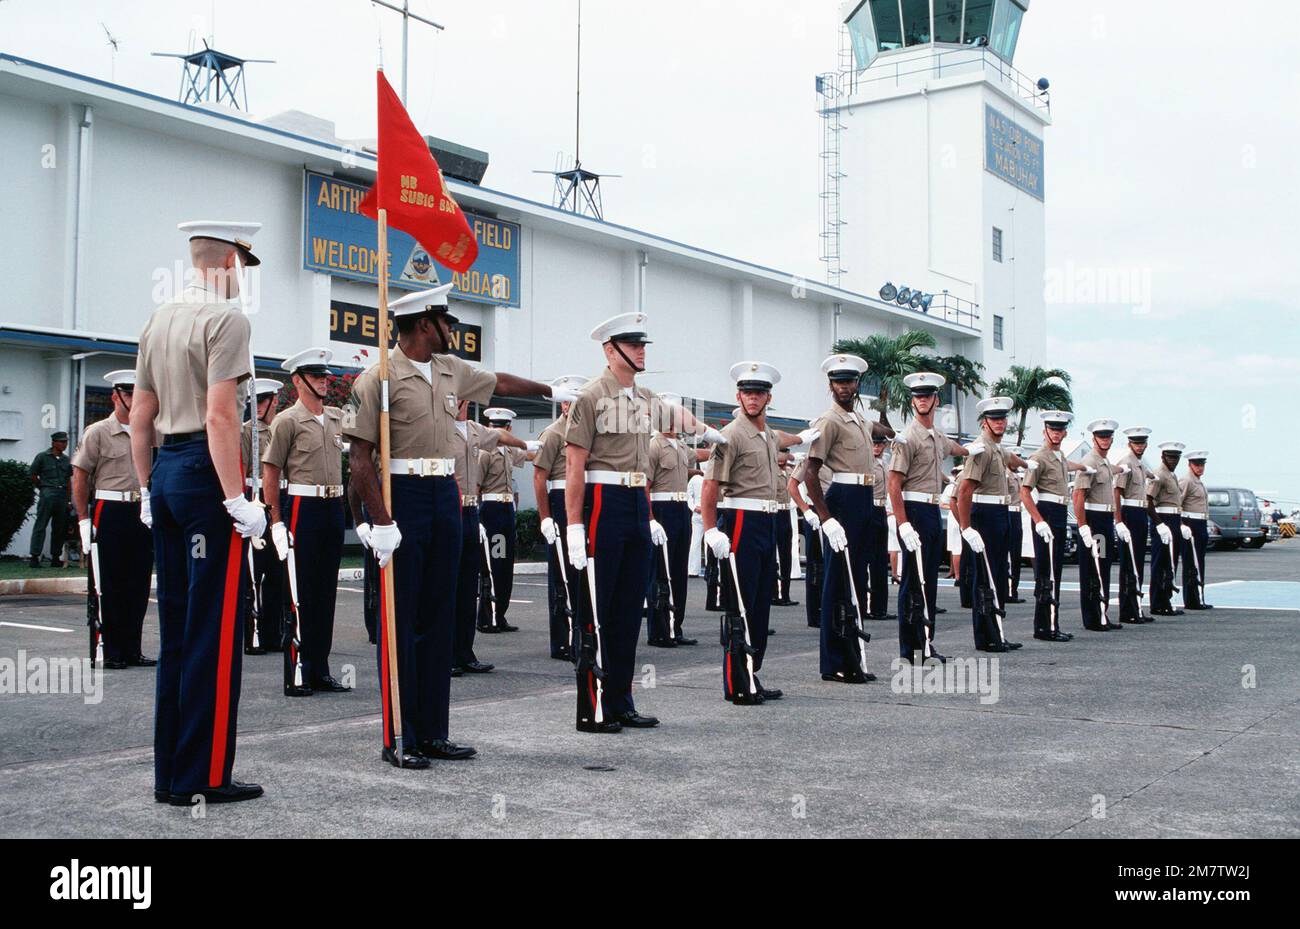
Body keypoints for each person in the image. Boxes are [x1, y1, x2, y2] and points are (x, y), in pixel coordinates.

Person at [344, 282, 561, 768]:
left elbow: (498, 382)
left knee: (438, 618)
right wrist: (378, 522)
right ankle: (399, 735)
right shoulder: (377, 378)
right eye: (447, 323)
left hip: (445, 494)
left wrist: (548, 390)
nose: (453, 331)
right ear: (424, 324)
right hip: (403, 496)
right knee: (400, 620)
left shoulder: (449, 369)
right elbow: (360, 459)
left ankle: (433, 733)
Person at [131, 220, 268, 805]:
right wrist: (237, 498)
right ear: (231, 262)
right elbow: (220, 418)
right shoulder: (226, 319)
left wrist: (145, 491)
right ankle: (205, 776)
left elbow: (140, 418)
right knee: (212, 633)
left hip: (166, 474)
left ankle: (172, 776)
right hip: (206, 475)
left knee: (179, 636)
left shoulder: (159, 319)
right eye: (244, 266)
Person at [564, 313, 725, 730]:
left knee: (626, 609)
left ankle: (621, 700)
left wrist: (709, 432)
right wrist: (574, 525)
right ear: (609, 350)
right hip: (603, 501)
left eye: (643, 345)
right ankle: (593, 707)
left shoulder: (643, 397)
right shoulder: (591, 397)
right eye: (632, 345)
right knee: (597, 609)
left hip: (637, 501)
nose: (641, 351)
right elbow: (574, 464)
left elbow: (675, 414)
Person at [701, 363, 803, 701]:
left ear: (768, 397)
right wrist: (710, 530)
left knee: (761, 604)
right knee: (741, 604)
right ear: (738, 396)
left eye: (759, 393)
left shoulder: (766, 435)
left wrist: (805, 436)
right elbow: (711, 484)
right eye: (747, 392)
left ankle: (751, 673)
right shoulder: (730, 434)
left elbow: (782, 439)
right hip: (741, 520)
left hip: (767, 522)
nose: (753, 398)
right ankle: (736, 683)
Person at [802, 354, 893, 683]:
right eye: (839, 382)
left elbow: (888, 429)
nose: (845, 386)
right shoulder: (828, 421)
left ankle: (852, 657)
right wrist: (825, 517)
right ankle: (834, 662)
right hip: (841, 499)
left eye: (850, 381)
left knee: (855, 580)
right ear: (831, 386)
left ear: (857, 385)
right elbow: (811, 473)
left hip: (864, 500)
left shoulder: (859, 420)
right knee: (837, 583)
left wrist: (882, 406)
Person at [263, 348, 349, 696]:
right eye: (316, 377)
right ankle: (297, 670)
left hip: (333, 507)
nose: (324, 382)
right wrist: (276, 522)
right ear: (298, 381)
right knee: (300, 593)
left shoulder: (337, 417)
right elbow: (271, 474)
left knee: (326, 592)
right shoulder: (287, 421)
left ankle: (321, 669)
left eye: (325, 377)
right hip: (303, 507)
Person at [71, 370, 154, 669]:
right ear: (115, 396)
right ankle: (107, 649)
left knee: (138, 584)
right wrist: (83, 518)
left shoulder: (151, 431)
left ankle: (133, 649)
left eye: (137, 393)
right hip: (110, 509)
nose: (133, 399)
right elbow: (80, 477)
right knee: (108, 583)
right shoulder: (98, 432)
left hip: (142, 510)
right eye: (128, 393)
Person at [886, 372, 969, 664]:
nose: (922, 401)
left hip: (933, 511)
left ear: (936, 400)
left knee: (928, 582)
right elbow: (894, 482)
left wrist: (975, 450)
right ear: (913, 401)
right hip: (914, 512)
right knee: (914, 581)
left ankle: (926, 642)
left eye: (927, 396)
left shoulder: (936, 436)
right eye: (918, 396)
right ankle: (912, 648)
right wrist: (903, 522)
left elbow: (954, 448)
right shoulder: (907, 438)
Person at [452, 400, 529, 673]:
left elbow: (523, 451)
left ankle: (465, 651)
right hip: (470, 509)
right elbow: (479, 483)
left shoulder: (480, 436)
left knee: (472, 582)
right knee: (456, 582)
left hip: (478, 511)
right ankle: (452, 651)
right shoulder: (453, 436)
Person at [955, 397, 1029, 652]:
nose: (999, 423)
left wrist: (1027, 464)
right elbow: (964, 491)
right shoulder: (982, 449)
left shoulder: (997, 448)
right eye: (994, 419)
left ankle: (996, 631)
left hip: (1000, 513)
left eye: (1002, 418)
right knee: (985, 578)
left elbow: (1012, 458)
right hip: (984, 514)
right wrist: (966, 528)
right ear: (984, 422)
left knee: (997, 574)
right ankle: (986, 637)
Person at [534, 377, 588, 660]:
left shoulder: (589, 432)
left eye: (576, 400)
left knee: (582, 573)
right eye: (567, 400)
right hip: (559, 501)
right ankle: (564, 640)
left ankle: (582, 633)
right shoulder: (553, 433)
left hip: (582, 501)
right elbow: (539, 476)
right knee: (562, 576)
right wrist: (545, 517)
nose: (570, 405)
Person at [646, 395, 706, 646]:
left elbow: (698, 455)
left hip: (681, 508)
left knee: (679, 571)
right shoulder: (653, 446)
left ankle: (675, 626)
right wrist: (650, 519)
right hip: (662, 509)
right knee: (662, 571)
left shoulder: (680, 446)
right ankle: (660, 631)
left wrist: (723, 446)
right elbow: (645, 486)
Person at [476, 408, 534, 634]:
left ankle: (500, 614)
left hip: (506, 511)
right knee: (494, 563)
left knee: (506, 564)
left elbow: (529, 455)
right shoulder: (484, 453)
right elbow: (476, 488)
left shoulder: (508, 451)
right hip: (492, 513)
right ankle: (487, 617)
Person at [1020, 411, 1076, 643]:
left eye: (1060, 430)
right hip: (1048, 513)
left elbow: (1072, 464)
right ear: (1045, 432)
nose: (1056, 433)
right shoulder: (1039, 457)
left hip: (1061, 513)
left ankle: (1053, 622)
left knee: (1056, 571)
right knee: (1046, 573)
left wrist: (1083, 467)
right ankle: (1043, 627)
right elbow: (1024, 492)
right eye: (1052, 429)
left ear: (1065, 433)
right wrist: (1039, 520)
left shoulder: (1060, 456)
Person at [240, 378, 286, 657]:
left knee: (277, 572)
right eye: (253, 402)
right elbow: (242, 468)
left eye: (262, 401)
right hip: (254, 500)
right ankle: (251, 633)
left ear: (274, 402)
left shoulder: (282, 427)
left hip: (279, 501)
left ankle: (273, 632)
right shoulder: (246, 431)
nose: (256, 407)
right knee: (252, 572)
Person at [1073, 419, 1121, 633]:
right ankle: (1093, 617)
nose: (1105, 440)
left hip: (1105, 521)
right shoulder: (1090, 462)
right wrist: (1083, 526)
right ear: (1094, 439)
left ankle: (1102, 612)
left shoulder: (1104, 462)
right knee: (1094, 568)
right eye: (1101, 437)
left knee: (1103, 566)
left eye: (1108, 437)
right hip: (1094, 522)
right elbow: (1078, 495)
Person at [1113, 426, 1154, 624]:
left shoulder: (1139, 464)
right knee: (1129, 563)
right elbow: (1117, 492)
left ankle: (1136, 606)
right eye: (1136, 443)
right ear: (1130, 444)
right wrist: (1119, 521)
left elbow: (1151, 476)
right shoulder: (1126, 462)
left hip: (1140, 513)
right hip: (1129, 513)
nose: (1140, 446)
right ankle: (1127, 610)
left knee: (1138, 561)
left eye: (1142, 443)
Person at [790, 454, 828, 629]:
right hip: (814, 511)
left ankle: (830, 609)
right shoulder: (808, 460)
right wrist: (805, 510)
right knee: (816, 566)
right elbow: (792, 486)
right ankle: (815, 614)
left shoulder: (838, 458)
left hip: (833, 510)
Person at [1148, 442, 1186, 617]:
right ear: (1163, 456)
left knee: (1170, 563)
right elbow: (1148, 500)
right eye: (1170, 457)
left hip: (1173, 519)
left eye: (1176, 457)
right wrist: (1158, 524)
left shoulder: (1172, 475)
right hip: (1163, 520)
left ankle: (1166, 601)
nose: (1174, 461)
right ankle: (1157, 603)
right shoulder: (1159, 474)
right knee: (1160, 563)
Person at [28, 431, 72, 568]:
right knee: (41, 525)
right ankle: (34, 557)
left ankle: (55, 557)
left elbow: (69, 480)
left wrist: (69, 500)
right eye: (61, 441)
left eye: (65, 442)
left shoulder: (66, 460)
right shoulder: (42, 457)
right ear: (53, 443)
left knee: (59, 528)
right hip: (48, 493)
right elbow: (33, 474)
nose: (64, 444)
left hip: (62, 495)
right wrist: (42, 488)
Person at [1180, 450, 1213, 610]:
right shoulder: (1187, 481)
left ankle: (1198, 596)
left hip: (1200, 523)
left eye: (1202, 465)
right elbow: (1176, 503)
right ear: (1190, 465)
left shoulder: (1199, 482)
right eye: (1196, 465)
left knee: (1199, 561)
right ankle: (1192, 599)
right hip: (1190, 523)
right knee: (1191, 562)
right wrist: (1181, 524)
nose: (1200, 468)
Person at [866, 433, 894, 622]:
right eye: (874, 444)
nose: (877, 447)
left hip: (881, 509)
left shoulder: (885, 463)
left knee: (880, 561)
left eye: (880, 444)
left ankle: (879, 608)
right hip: (868, 508)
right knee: (866, 560)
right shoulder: (866, 461)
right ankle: (865, 606)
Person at [771, 451, 799, 607]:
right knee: (771, 556)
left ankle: (786, 593)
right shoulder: (770, 471)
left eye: (785, 453)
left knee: (786, 555)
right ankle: (773, 593)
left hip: (786, 512)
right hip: (773, 512)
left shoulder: (790, 471)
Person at [1005, 450, 1026, 603]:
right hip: (1009, 513)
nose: (1018, 462)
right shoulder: (1005, 475)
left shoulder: (1017, 476)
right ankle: (1008, 590)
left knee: (1016, 554)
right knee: (1009, 555)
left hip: (1017, 514)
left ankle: (1014, 589)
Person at [686, 469, 705, 577]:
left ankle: (693, 570)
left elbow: (688, 496)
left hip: (698, 512)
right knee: (708, 542)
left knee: (695, 541)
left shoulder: (694, 479)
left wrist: (693, 508)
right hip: (708, 511)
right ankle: (711, 568)